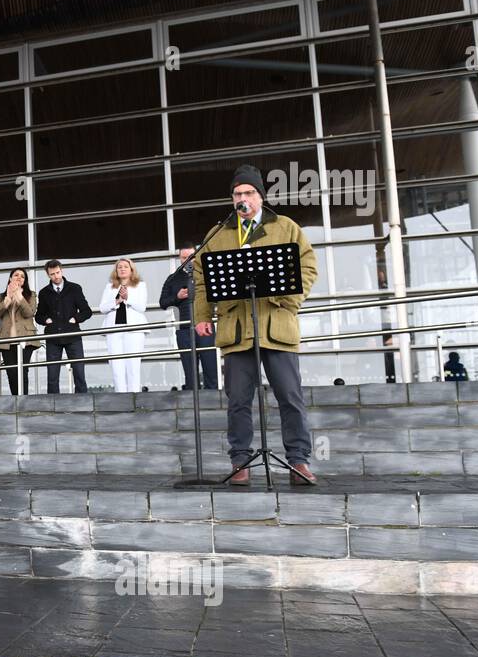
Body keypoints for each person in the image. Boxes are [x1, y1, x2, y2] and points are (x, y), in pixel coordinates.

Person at [193, 163, 319, 487]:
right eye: (237, 193)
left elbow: (308, 267)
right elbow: (201, 278)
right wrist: (202, 316)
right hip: (237, 330)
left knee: (290, 397)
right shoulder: (217, 235)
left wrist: (288, 301)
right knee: (237, 401)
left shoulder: (286, 227)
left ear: (260, 196)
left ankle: (299, 461)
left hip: (277, 327)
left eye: (249, 192)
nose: (242, 198)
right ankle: (241, 461)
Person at [160, 248, 218, 391]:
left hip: (205, 327)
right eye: (184, 257)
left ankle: (214, 404)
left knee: (211, 370)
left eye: (190, 256)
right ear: (179, 258)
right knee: (190, 373)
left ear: (196, 256)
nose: (187, 260)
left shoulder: (206, 275)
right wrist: (177, 297)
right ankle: (191, 407)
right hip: (184, 329)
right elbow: (162, 303)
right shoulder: (172, 278)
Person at [34, 260, 92, 394]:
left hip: (73, 336)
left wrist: (75, 319)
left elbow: (86, 311)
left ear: (62, 270)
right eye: (52, 274)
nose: (56, 276)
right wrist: (46, 320)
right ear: (48, 275)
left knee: (79, 372)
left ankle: (83, 401)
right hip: (53, 337)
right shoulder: (44, 293)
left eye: (58, 272)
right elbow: (38, 316)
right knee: (52, 375)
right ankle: (53, 404)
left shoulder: (74, 288)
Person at [99, 258, 148, 393]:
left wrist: (128, 299)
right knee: (116, 365)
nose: (122, 269)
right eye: (119, 267)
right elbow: (102, 308)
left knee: (133, 365)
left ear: (131, 270)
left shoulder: (140, 285)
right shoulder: (110, 287)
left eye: (125, 266)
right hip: (114, 329)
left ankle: (134, 395)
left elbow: (142, 307)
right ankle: (120, 395)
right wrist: (116, 301)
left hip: (134, 330)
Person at [0, 268, 39, 396]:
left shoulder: (31, 295)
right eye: (16, 275)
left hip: (26, 340)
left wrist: (19, 297)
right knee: (11, 372)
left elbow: (29, 312)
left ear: (25, 280)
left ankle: (24, 400)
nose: (19, 277)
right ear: (10, 278)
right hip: (7, 340)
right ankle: (15, 400)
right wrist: (7, 299)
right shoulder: (1, 296)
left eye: (22, 276)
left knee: (22, 371)